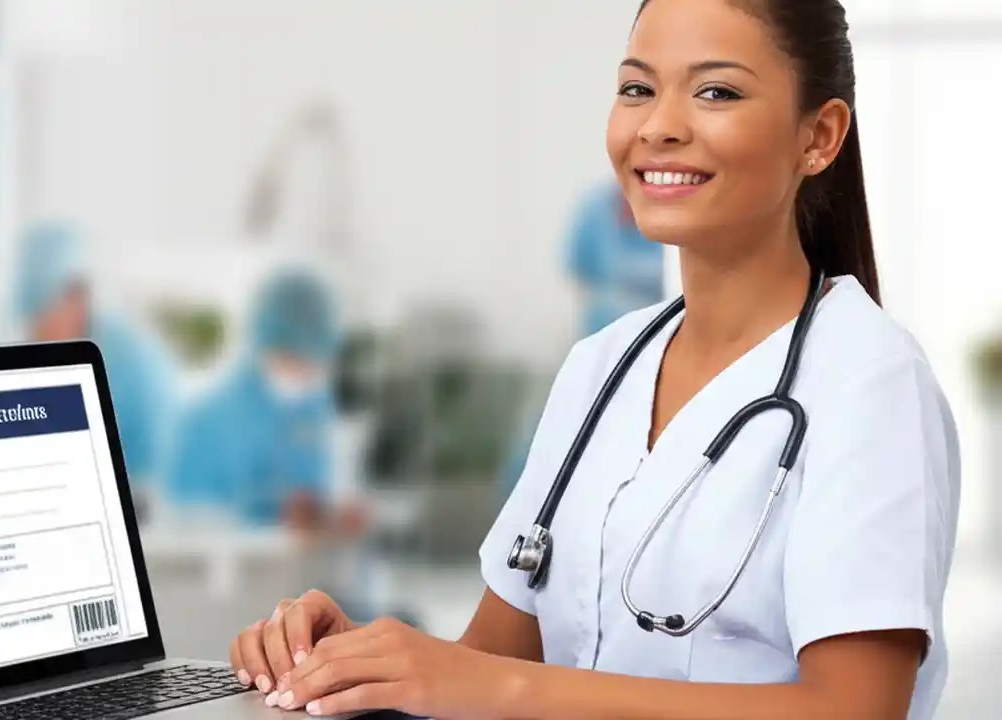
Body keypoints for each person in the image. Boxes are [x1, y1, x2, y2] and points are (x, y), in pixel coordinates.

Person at [227, 1, 961, 718]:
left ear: (820, 136)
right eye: (637, 88)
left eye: (716, 91)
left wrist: (497, 690)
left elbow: (855, 708)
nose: (659, 126)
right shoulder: (601, 367)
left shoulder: (869, 379)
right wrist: (365, 666)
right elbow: (490, 660)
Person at [167, 269, 343, 530]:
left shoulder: (313, 409)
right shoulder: (206, 422)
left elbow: (313, 496)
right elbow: (191, 530)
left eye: (312, 361)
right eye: (292, 359)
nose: (303, 372)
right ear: (265, 344)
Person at [15, 222, 177, 490]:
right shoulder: (65, 348)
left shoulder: (128, 361)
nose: (39, 334)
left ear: (76, 298)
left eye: (44, 318)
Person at [567, 180, 666, 338]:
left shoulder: (673, 210)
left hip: (662, 333)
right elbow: (580, 273)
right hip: (602, 330)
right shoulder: (596, 210)